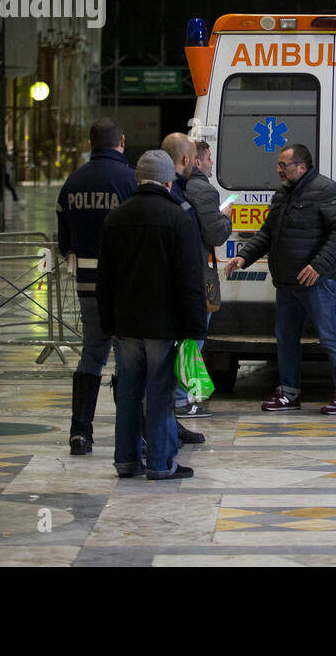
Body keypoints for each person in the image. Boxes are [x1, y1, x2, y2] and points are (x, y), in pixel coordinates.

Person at [222, 143, 336, 414]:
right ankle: (289, 392)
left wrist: (318, 265)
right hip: (287, 281)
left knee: (330, 337)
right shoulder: (283, 194)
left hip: (319, 281)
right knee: (285, 339)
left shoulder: (328, 191)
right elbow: (267, 233)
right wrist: (243, 257)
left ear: (302, 166)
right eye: (279, 165)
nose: (278, 170)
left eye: (283, 165)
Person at [97, 150, 207, 480]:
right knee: (159, 393)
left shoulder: (115, 218)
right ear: (168, 180)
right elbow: (190, 280)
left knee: (128, 392)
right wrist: (195, 326)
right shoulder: (177, 218)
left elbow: (106, 278)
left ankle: (126, 461)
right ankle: (161, 463)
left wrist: (108, 323)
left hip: (126, 324)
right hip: (163, 324)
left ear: (137, 179)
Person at [58, 118, 137, 456]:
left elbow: (64, 242)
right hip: (123, 284)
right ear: (121, 142)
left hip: (87, 284)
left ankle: (80, 432)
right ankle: (131, 432)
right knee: (126, 358)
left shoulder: (73, 182)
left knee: (92, 354)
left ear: (91, 144)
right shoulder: (130, 180)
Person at [172, 140, 233, 419]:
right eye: (208, 159)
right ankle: (181, 399)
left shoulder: (171, 186)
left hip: (169, 274)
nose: (211, 164)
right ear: (195, 161)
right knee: (192, 340)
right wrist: (226, 219)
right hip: (194, 275)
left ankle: (175, 397)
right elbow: (215, 235)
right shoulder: (204, 191)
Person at [157, 132, 208, 444]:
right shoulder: (185, 203)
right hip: (177, 297)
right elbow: (189, 260)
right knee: (178, 356)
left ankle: (144, 442)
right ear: (188, 160)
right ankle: (165, 444)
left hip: (145, 305)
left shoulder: (126, 207)